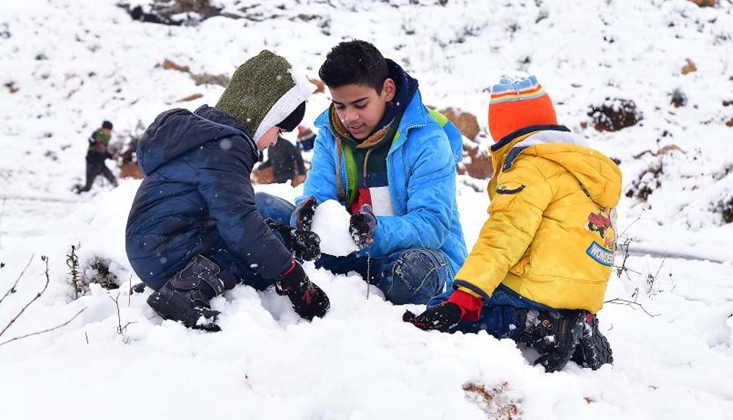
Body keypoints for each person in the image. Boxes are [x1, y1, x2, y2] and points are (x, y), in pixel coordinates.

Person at [403, 76, 622, 373]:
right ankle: (578, 324)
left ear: (502, 129)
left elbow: (503, 235)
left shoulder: (530, 166)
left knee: (446, 308)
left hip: (538, 288)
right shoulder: (583, 169)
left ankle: (539, 323)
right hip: (585, 294)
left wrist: (466, 295)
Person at [125, 50, 330, 332]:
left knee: (258, 242)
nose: (274, 142)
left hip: (155, 248)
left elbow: (227, 213)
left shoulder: (208, 136)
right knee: (255, 262)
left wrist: (282, 236)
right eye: (279, 130)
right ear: (264, 116)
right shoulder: (227, 147)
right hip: (167, 252)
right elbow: (239, 224)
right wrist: (292, 275)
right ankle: (184, 291)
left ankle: (178, 278)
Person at [287, 39, 468, 306]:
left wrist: (375, 233)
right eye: (340, 106)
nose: (349, 117)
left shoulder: (428, 139)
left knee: (413, 275)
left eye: (360, 104)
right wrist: (306, 214)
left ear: (388, 90)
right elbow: (319, 194)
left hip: (413, 255)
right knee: (267, 215)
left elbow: (432, 224)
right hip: (348, 252)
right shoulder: (330, 135)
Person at [76, 120, 118, 193]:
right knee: (88, 187)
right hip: (92, 163)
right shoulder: (99, 133)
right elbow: (91, 139)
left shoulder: (108, 137)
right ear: (103, 129)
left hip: (100, 164)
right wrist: (96, 142)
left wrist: (111, 156)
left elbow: (104, 151)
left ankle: (119, 193)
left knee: (113, 180)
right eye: (107, 130)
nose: (108, 132)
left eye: (110, 131)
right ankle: (77, 192)